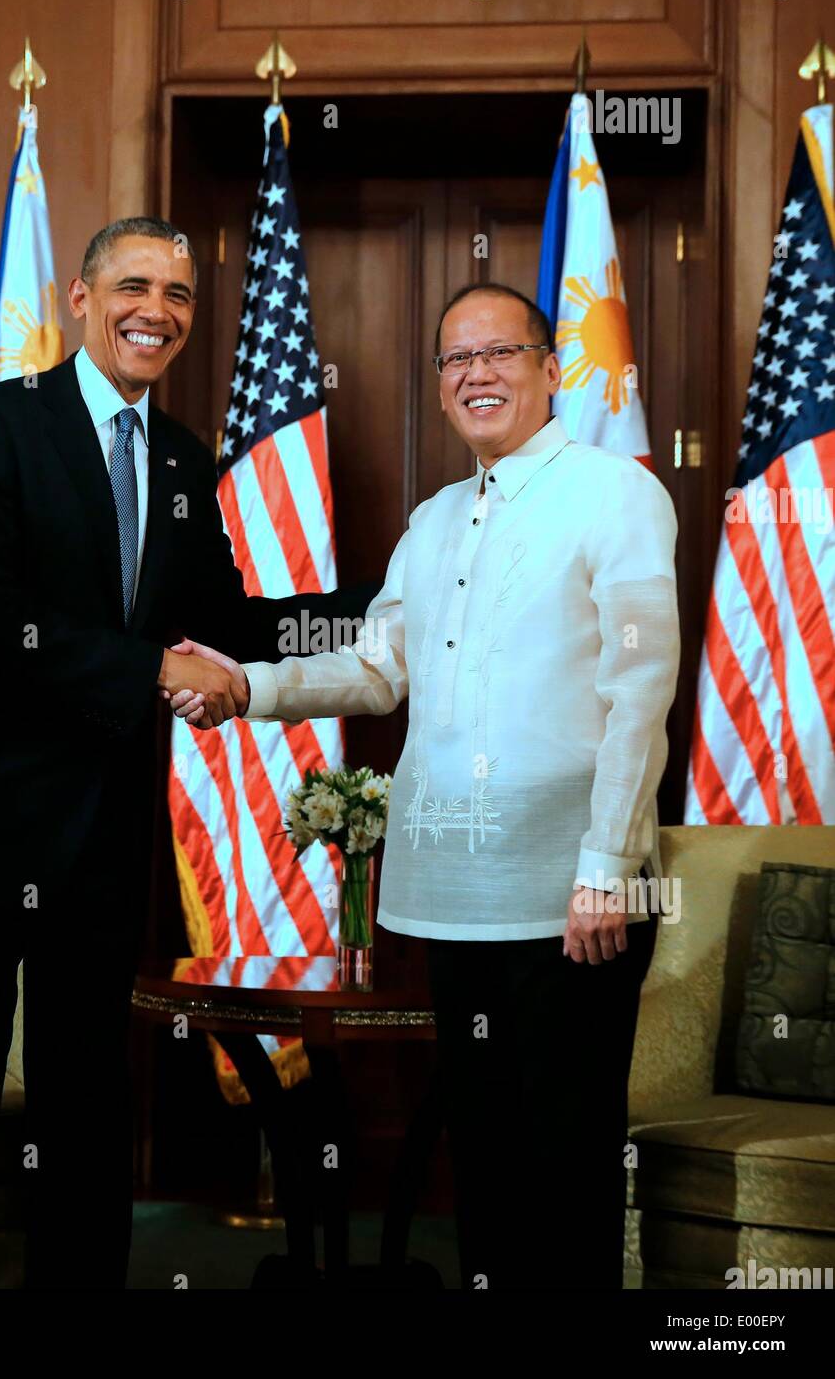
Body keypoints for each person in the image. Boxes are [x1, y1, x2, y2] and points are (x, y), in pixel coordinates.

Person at [0, 216, 373, 1289]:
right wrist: (153, 672)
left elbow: (227, 625)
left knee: (87, 1113)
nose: (157, 309)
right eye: (135, 285)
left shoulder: (186, 459)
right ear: (82, 301)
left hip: (99, 841)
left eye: (181, 294)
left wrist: (390, 609)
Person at [165, 282, 681, 1290]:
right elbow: (375, 668)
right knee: (482, 1161)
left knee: (565, 1160)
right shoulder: (435, 517)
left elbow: (640, 685)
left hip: (572, 893)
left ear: (548, 368)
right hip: (455, 897)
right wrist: (247, 685)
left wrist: (608, 867)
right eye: (455, 360)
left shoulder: (617, 492)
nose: (477, 373)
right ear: (440, 385)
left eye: (500, 353)